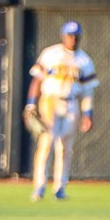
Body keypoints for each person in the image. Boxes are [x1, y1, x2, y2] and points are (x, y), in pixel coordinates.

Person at [25, 21, 97, 202]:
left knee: (65, 148)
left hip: (71, 103)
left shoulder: (84, 60)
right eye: (69, 35)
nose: (72, 39)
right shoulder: (51, 54)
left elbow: (88, 91)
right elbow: (37, 80)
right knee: (47, 143)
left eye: (75, 36)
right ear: (63, 35)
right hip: (50, 100)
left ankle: (60, 188)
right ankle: (39, 187)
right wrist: (31, 104)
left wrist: (87, 114)